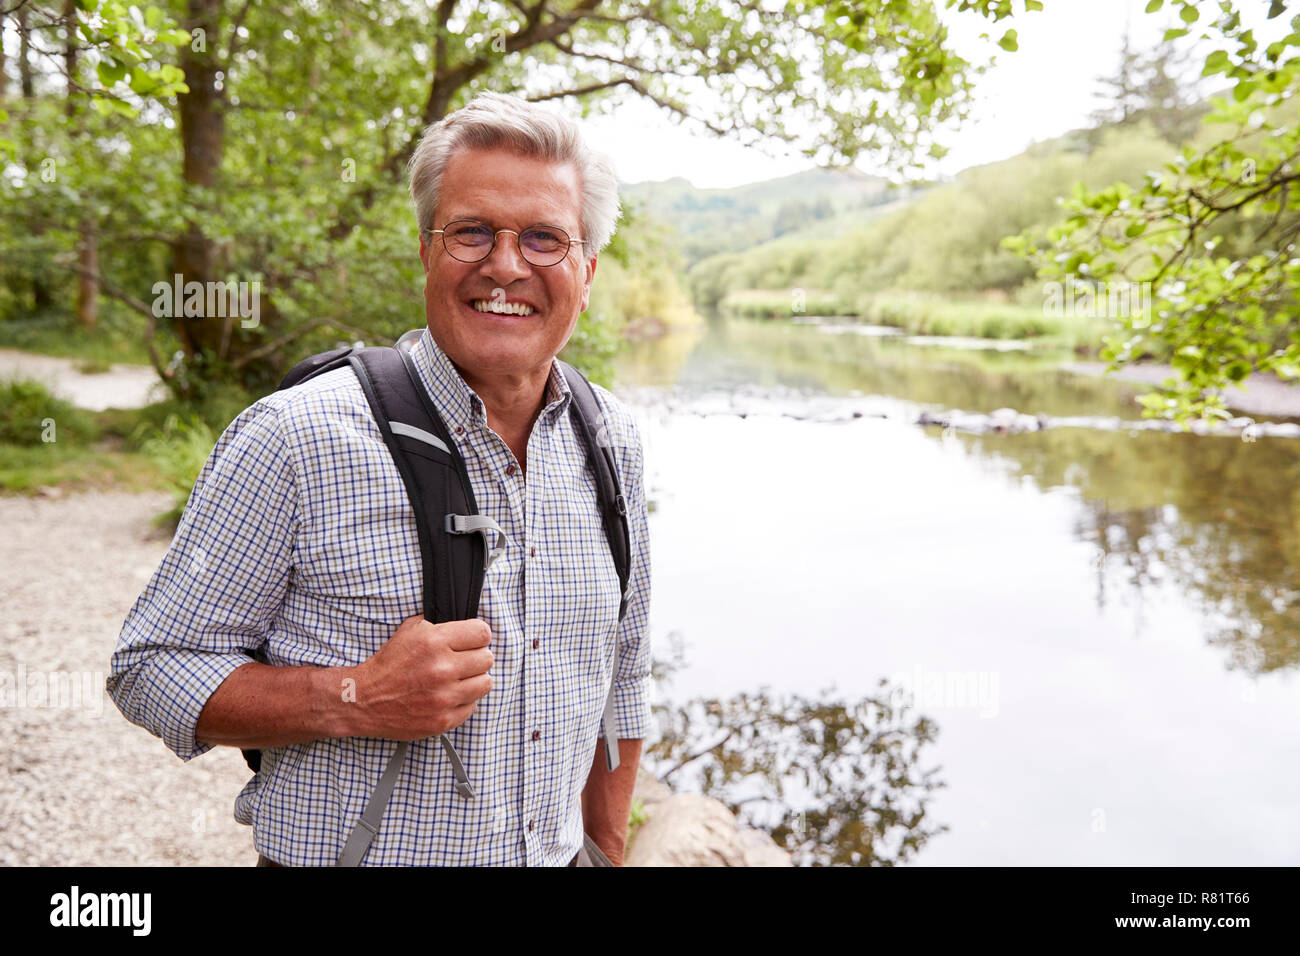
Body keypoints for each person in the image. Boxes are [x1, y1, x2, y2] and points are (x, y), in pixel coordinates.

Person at [106, 91, 652, 866]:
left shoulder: (613, 442)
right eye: (471, 232)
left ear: (586, 271)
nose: (505, 265)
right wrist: (358, 695)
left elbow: (623, 672)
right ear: (427, 249)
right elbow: (149, 668)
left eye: (542, 239)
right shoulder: (296, 436)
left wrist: (605, 848)